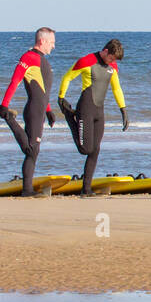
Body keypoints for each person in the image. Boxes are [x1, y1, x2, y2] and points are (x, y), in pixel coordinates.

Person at [58, 39, 128, 196]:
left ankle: (86, 189)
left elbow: (117, 88)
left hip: (99, 111)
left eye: (114, 60)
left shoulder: (113, 66)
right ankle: (70, 116)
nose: (112, 62)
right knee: (85, 149)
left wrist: (123, 109)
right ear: (105, 51)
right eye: (111, 58)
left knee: (95, 150)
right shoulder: (86, 61)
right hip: (85, 108)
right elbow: (68, 77)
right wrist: (61, 97)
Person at [0, 27, 57, 196]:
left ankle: (26, 189)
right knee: (31, 150)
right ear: (42, 41)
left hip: (40, 110)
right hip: (34, 110)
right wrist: (5, 105)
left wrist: (49, 110)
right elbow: (15, 81)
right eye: (52, 42)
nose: (53, 46)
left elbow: (44, 90)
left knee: (33, 152)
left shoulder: (43, 60)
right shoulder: (28, 57)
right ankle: (9, 118)